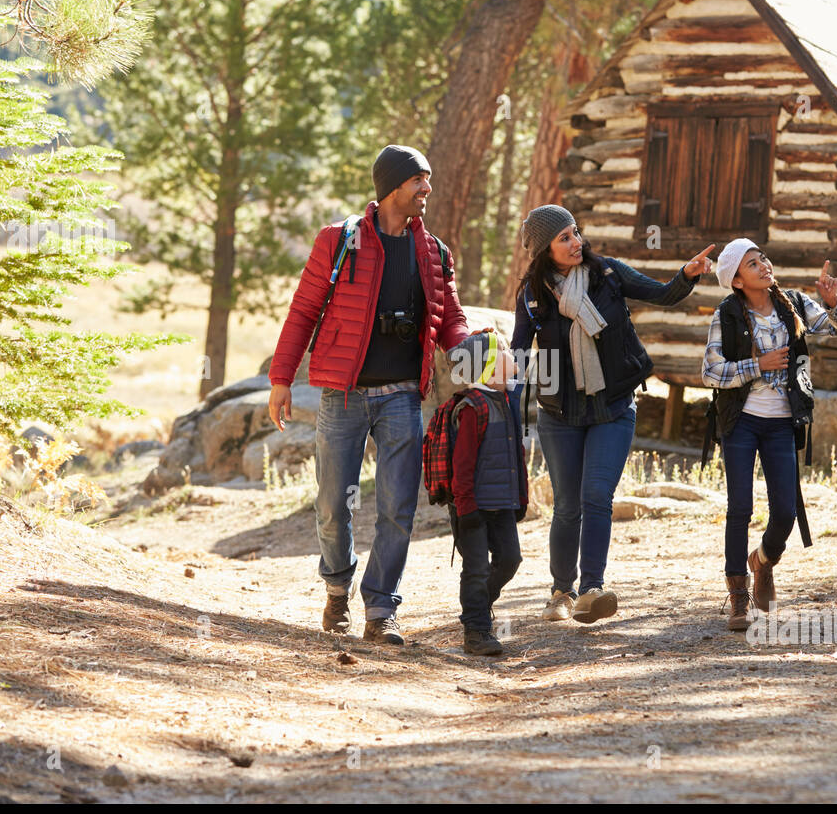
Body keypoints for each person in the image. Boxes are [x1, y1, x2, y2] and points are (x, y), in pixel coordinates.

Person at [266, 145, 471, 645]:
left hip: (402, 395)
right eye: (419, 180)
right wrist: (281, 378)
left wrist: (474, 353)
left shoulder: (433, 251)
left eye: (428, 179)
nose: (427, 190)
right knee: (334, 504)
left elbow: (451, 319)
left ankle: (381, 609)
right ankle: (338, 588)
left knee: (398, 506)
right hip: (343, 395)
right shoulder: (340, 241)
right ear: (393, 186)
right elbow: (304, 310)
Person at [510, 205, 713, 624]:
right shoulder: (531, 295)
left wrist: (687, 274)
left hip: (613, 407)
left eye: (576, 233)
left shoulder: (608, 274)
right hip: (559, 413)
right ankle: (560, 592)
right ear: (545, 249)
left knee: (596, 496)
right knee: (567, 505)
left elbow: (662, 294)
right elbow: (518, 352)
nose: (576, 242)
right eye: (564, 238)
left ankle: (591, 590)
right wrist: (503, 400)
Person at [701, 239, 837, 631]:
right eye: (753, 265)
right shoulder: (727, 315)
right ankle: (738, 596)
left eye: (763, 259)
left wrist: (833, 301)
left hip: (782, 422)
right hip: (742, 421)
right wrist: (758, 364)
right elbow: (710, 371)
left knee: (785, 512)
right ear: (737, 281)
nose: (764, 266)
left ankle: (763, 561)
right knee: (740, 508)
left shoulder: (794, 304)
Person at [443, 331, 527, 656]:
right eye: (505, 351)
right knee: (476, 567)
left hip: (503, 504)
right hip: (472, 508)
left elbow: (514, 456)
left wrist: (520, 499)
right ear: (490, 369)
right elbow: (462, 466)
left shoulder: (504, 401)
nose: (513, 355)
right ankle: (476, 631)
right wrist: (466, 509)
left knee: (510, 559)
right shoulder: (471, 408)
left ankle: (477, 607)